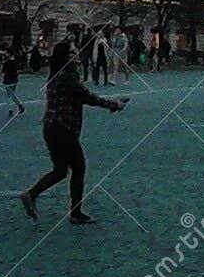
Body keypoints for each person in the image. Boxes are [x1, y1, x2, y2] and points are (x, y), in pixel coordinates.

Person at [19, 41, 128, 225]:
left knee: (60, 170)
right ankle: (75, 213)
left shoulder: (55, 74)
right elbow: (87, 97)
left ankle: (31, 194)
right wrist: (114, 105)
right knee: (79, 168)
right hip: (64, 128)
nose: (77, 54)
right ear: (66, 56)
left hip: (51, 127)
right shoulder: (67, 75)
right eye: (72, 52)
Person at [0, 44, 25, 117]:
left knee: (9, 95)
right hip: (14, 79)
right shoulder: (15, 61)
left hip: (8, 79)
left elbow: (3, 71)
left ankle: (11, 109)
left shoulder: (7, 62)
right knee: (12, 94)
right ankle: (19, 105)